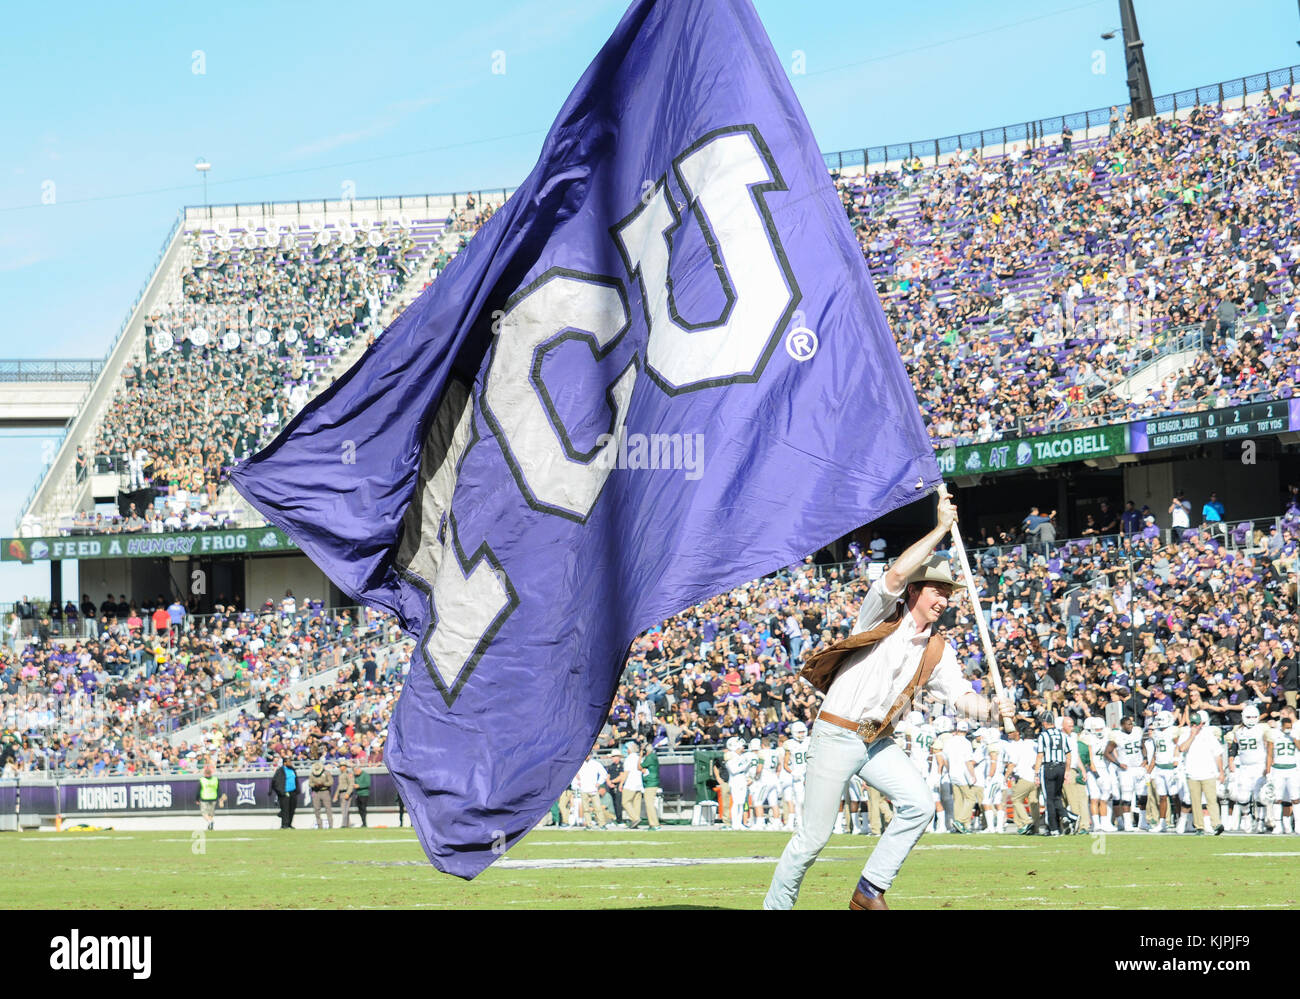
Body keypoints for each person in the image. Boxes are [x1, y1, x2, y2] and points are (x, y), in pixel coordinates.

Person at [764, 493, 1011, 910]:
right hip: (836, 735)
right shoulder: (881, 616)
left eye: (949, 593)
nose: (945, 599)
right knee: (813, 838)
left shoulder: (938, 648)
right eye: (938, 589)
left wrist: (990, 709)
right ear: (916, 589)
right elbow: (895, 573)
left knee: (918, 804)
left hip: (876, 741)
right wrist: (938, 528)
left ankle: (869, 891)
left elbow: (960, 697)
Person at [1178, 710, 1225, 835]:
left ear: (1201, 724)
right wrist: (1192, 736)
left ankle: (1216, 824)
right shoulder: (1185, 734)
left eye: (1196, 724)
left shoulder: (1209, 735)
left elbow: (1218, 754)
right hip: (1192, 773)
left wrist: (1221, 771)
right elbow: (1182, 748)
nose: (1194, 726)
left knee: (1211, 800)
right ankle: (1199, 826)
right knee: (1196, 801)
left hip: (1208, 772)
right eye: (1192, 723)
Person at [1034, 713, 1072, 835]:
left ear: (1045, 723)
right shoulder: (1063, 735)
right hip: (1061, 766)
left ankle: (1054, 828)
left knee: (1048, 799)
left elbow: (1040, 755)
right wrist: (1067, 771)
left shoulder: (1043, 736)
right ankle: (1065, 816)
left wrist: (1036, 773)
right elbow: (1068, 755)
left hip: (1048, 767)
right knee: (1057, 797)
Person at [197, 761, 225, 831]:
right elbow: (219, 789)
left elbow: (198, 791)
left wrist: (197, 799)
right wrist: (220, 798)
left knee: (204, 813)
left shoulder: (202, 780)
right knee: (211, 813)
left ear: (204, 773)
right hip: (213, 798)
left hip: (204, 798)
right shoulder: (215, 779)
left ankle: (210, 822)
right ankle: (210, 826)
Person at [271, 756, 298, 829]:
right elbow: (276, 782)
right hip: (285, 792)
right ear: (285, 763)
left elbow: (295, 780)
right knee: (285, 809)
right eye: (289, 761)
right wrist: (281, 791)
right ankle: (284, 824)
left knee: (292, 808)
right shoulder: (280, 771)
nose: (291, 763)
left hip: (293, 792)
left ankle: (289, 823)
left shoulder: (292, 770)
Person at [309, 760, 334, 829]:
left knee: (328, 809)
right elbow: (310, 783)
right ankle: (320, 826)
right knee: (316, 809)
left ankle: (330, 825)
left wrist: (324, 784)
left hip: (325, 791)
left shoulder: (327, 773)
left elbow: (331, 782)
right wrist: (315, 785)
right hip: (316, 792)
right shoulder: (312, 774)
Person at [335, 759, 356, 828]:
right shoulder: (341, 774)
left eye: (341, 766)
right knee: (344, 810)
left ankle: (344, 824)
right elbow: (339, 785)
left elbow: (351, 784)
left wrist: (348, 793)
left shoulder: (348, 773)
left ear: (345, 766)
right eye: (340, 766)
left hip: (346, 792)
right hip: (341, 793)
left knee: (345, 809)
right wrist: (336, 794)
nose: (340, 767)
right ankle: (347, 824)